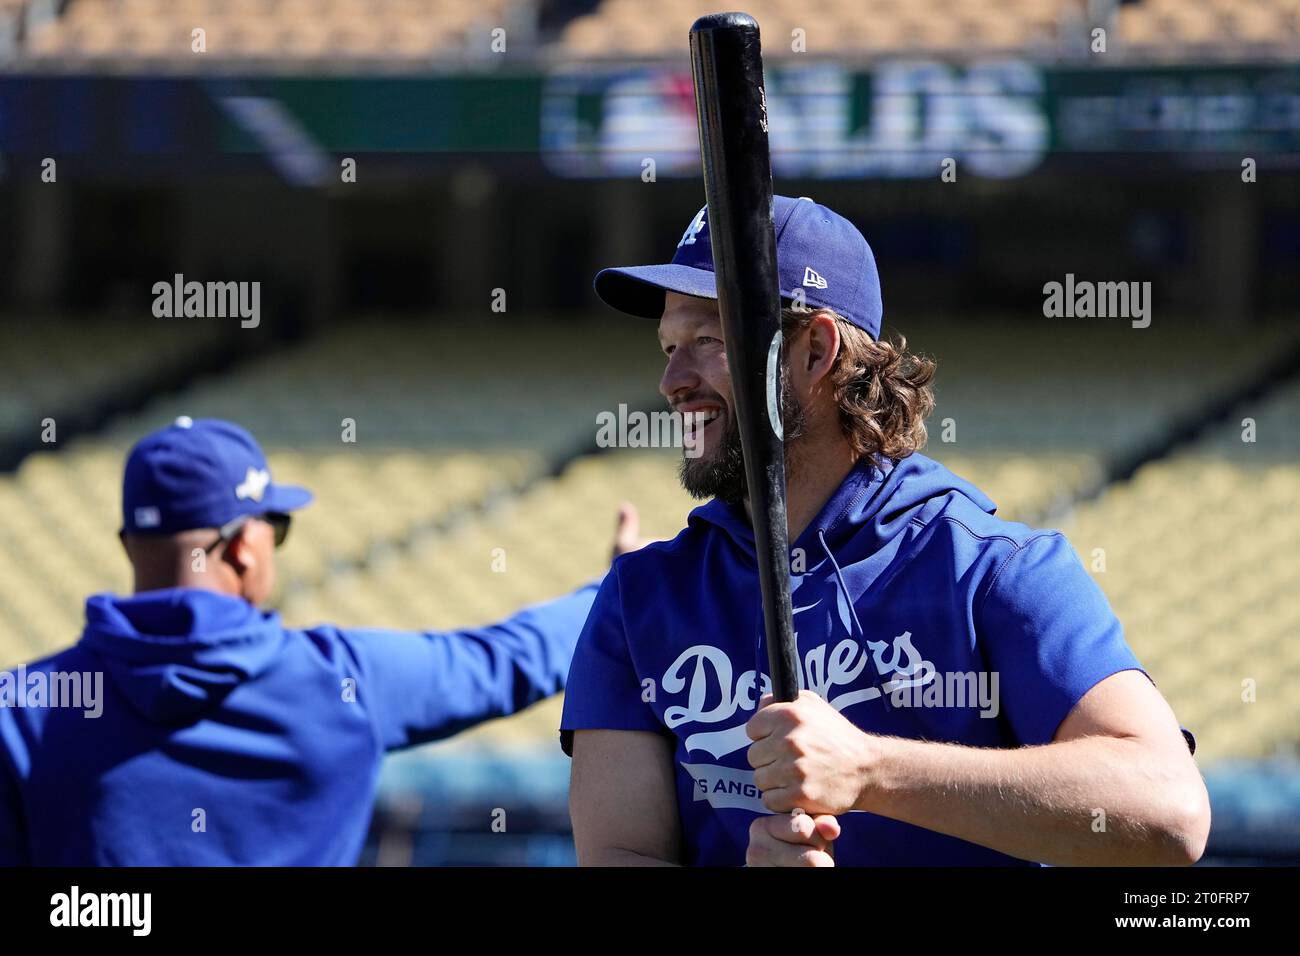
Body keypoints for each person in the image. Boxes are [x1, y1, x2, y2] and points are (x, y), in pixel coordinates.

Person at [562, 195, 1210, 867]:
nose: (672, 381)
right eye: (669, 347)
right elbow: (618, 853)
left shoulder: (993, 569)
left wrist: (871, 772)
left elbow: (1169, 813)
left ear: (815, 350)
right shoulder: (641, 596)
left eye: (706, 342)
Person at [0, 417, 637, 865]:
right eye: (275, 528)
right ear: (247, 548)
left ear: (126, 546)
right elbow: (507, 660)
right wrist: (614, 591)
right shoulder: (346, 681)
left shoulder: (24, 704)